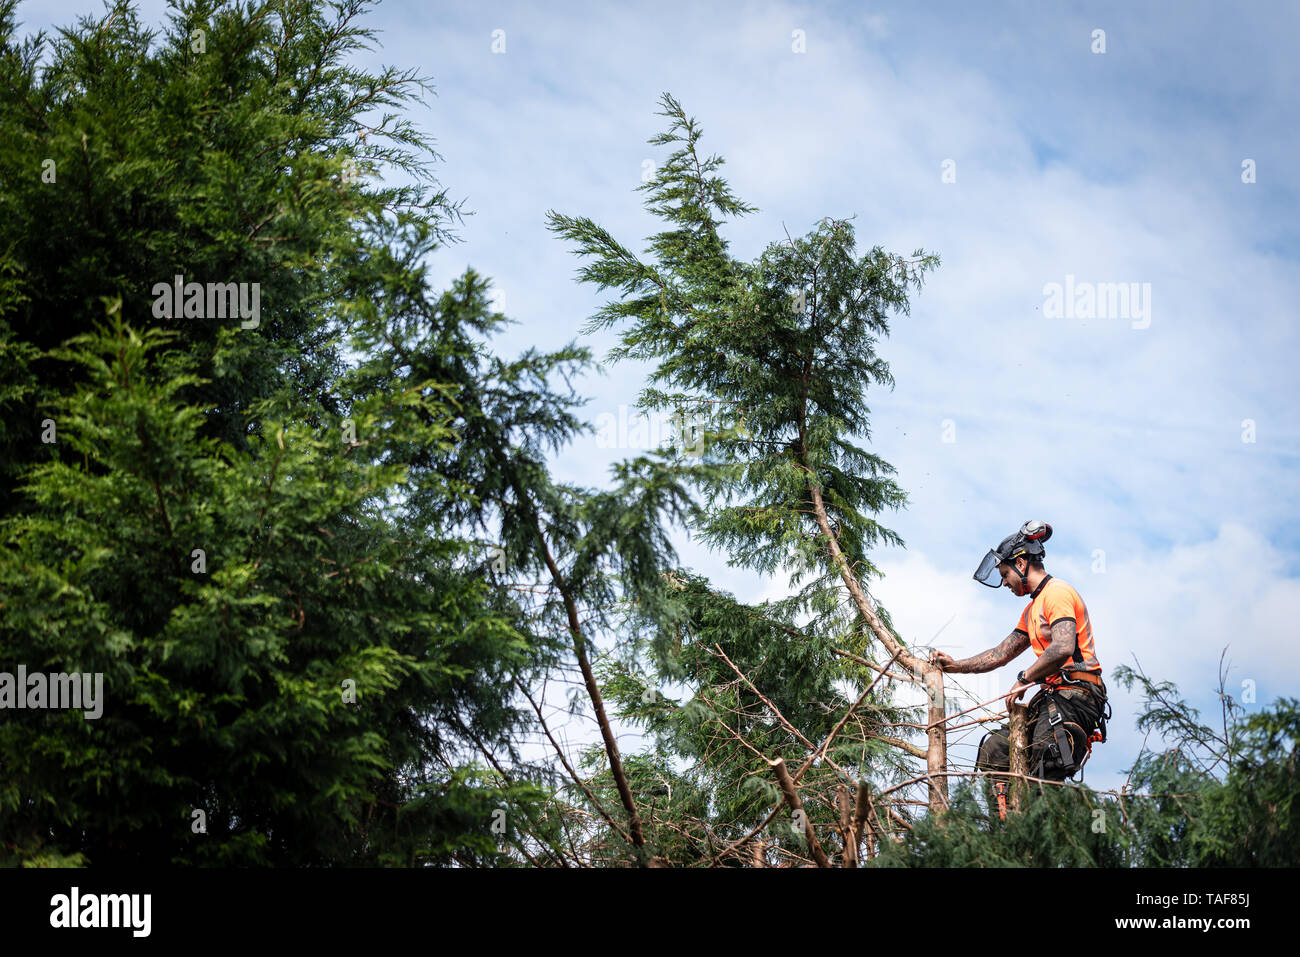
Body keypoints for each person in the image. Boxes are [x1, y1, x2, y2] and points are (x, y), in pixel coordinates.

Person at [929, 521, 1110, 786]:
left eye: (1004, 574)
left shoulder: (1057, 593)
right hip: (1054, 696)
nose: (1004, 583)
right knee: (995, 751)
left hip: (1077, 693)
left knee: (1046, 754)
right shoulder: (1032, 610)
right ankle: (1007, 823)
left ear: (1021, 564)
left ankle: (1044, 819)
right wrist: (955, 666)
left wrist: (1025, 679)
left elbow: (1062, 647)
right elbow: (999, 654)